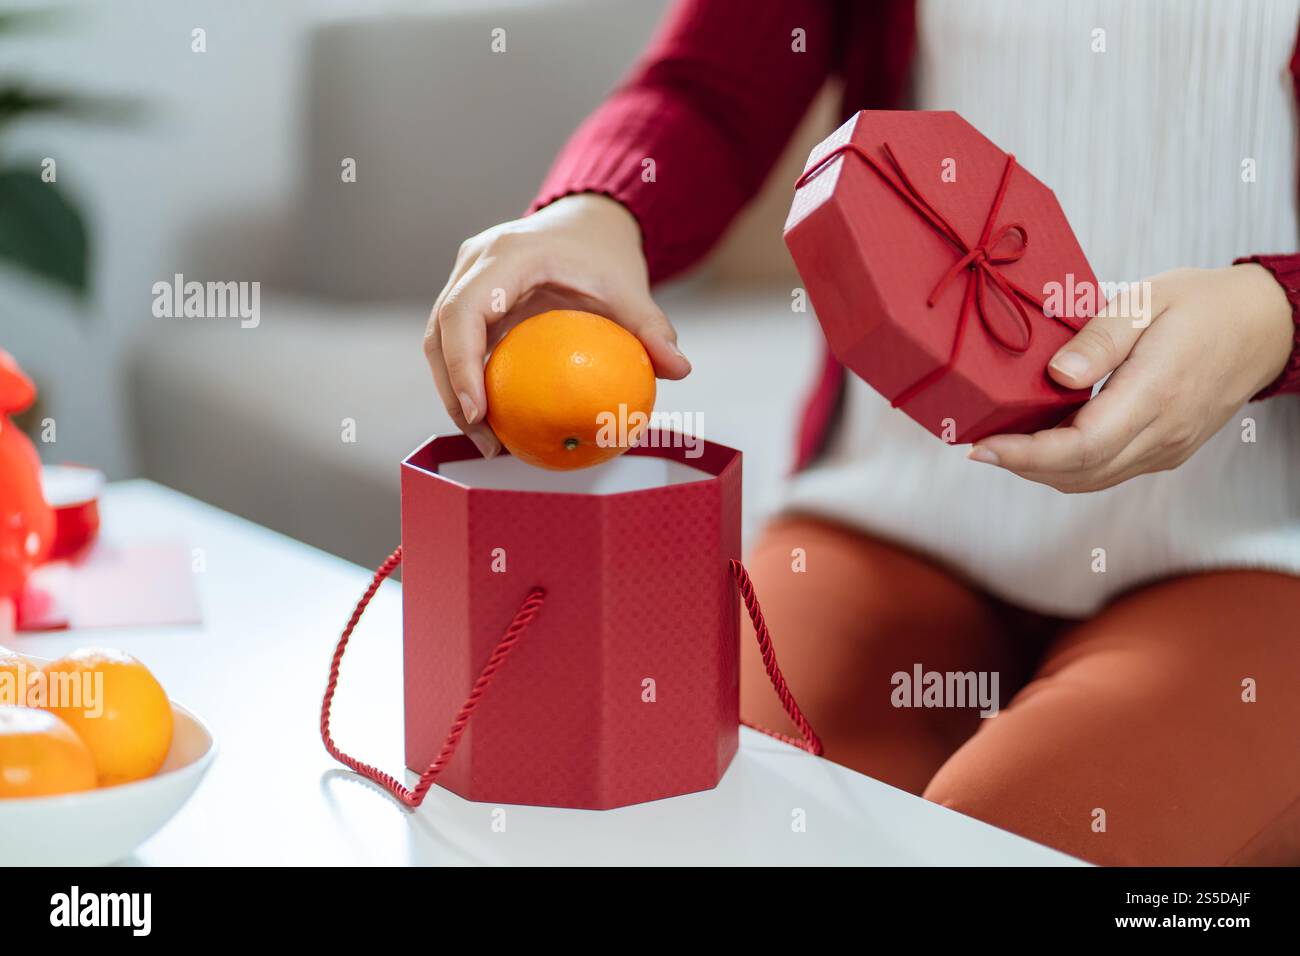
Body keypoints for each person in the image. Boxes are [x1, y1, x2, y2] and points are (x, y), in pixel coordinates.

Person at [424, 0, 1300, 865]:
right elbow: (709, 90)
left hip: (1260, 546)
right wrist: (594, 209)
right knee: (683, 814)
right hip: (895, 512)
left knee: (1007, 842)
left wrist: (1276, 316)